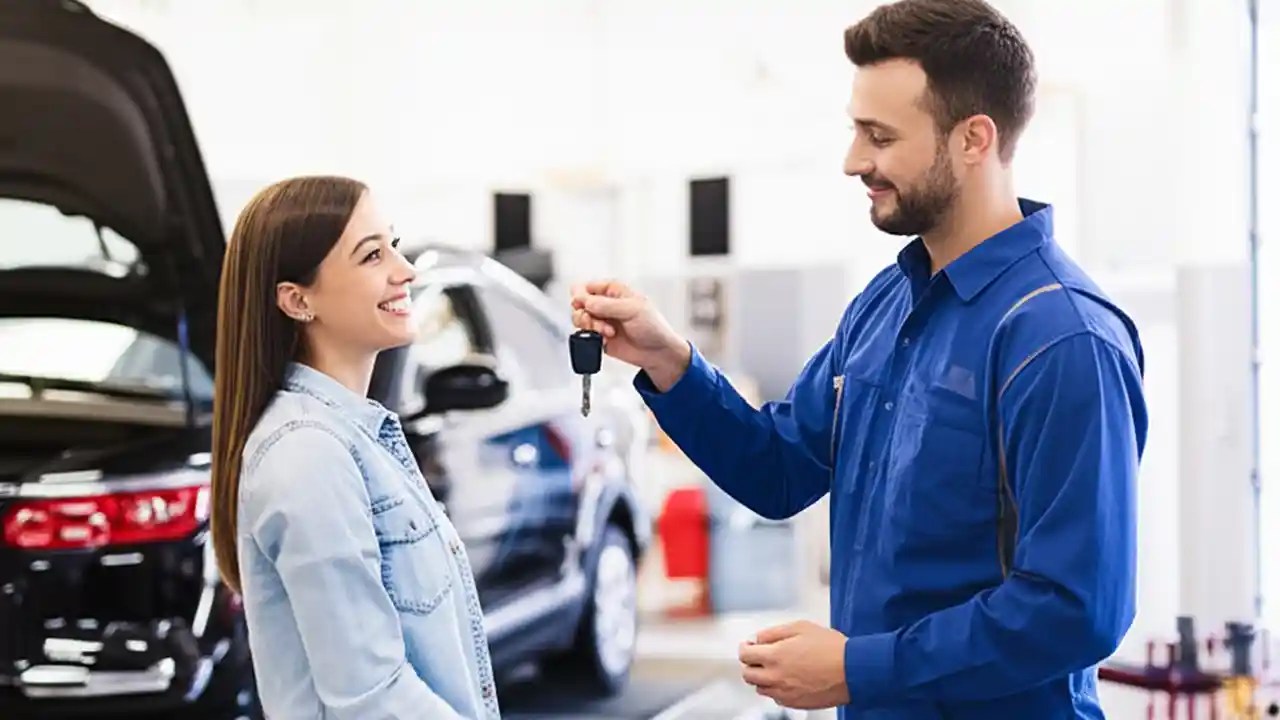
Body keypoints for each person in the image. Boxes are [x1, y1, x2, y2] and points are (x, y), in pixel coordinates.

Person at [570, 0, 1147, 718]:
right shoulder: (885, 305)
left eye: (879, 136)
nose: (854, 162)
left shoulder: (1062, 340)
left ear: (973, 139)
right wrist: (669, 361)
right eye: (855, 130)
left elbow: (1076, 608)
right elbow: (780, 469)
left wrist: (857, 666)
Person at [210, 175, 501, 720]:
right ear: (297, 300)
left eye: (392, 243)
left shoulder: (349, 435)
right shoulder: (306, 455)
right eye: (372, 256)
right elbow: (371, 697)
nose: (405, 269)